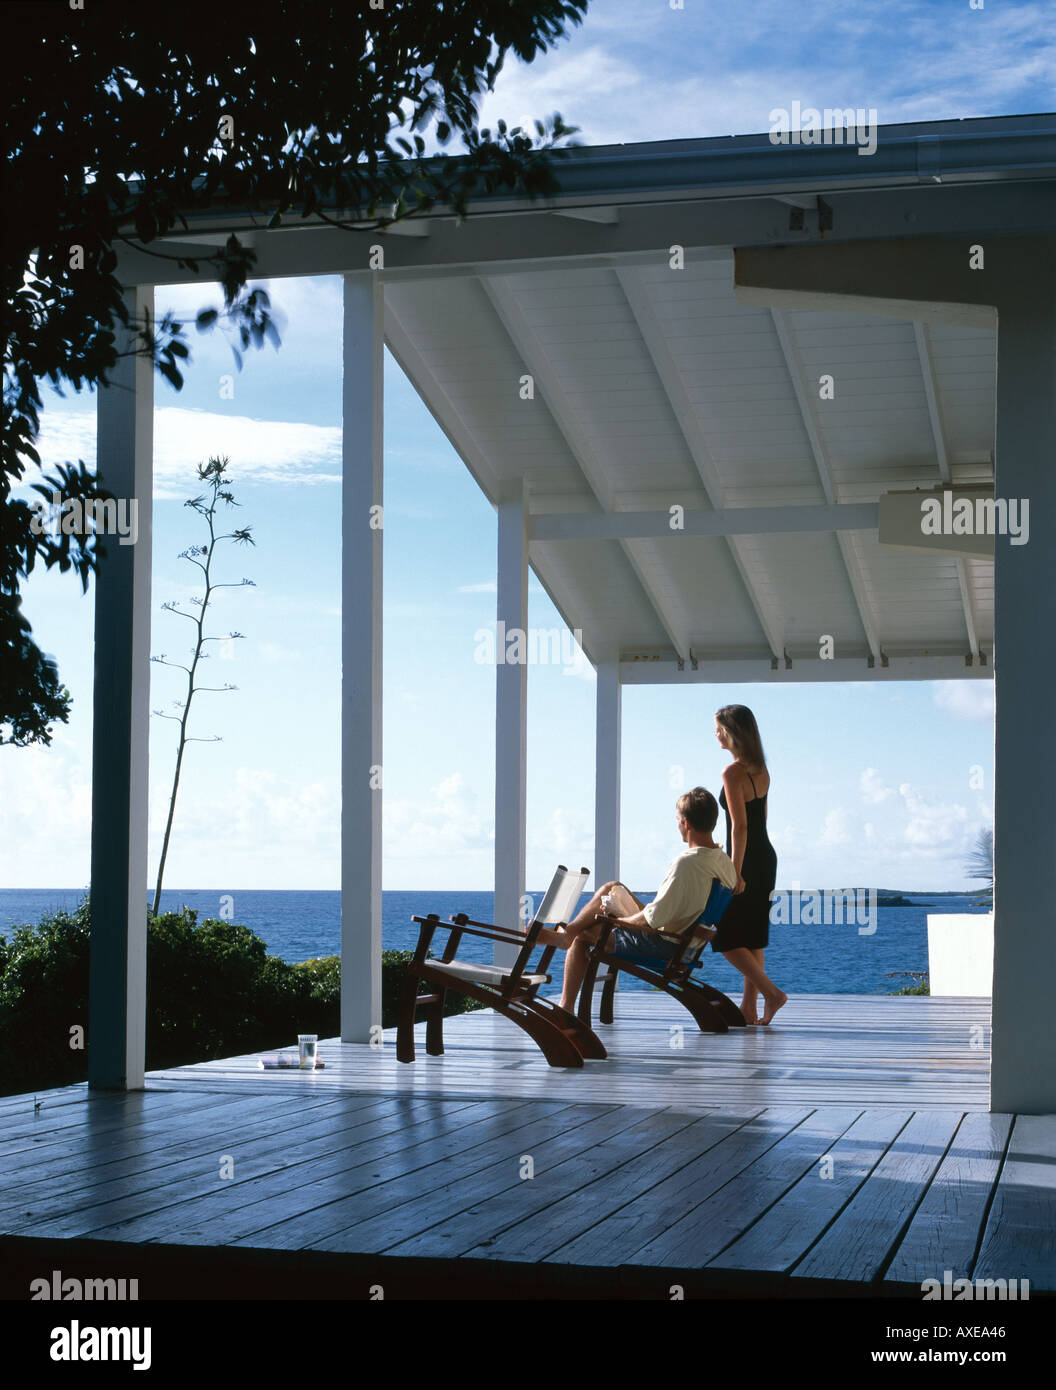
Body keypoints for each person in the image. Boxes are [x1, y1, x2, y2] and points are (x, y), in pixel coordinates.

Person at [536, 787, 738, 1014]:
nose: (678, 825)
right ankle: (569, 932)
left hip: (665, 945)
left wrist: (617, 918)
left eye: (678, 820)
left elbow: (652, 920)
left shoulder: (687, 863)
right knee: (613, 887)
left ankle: (566, 1006)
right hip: (686, 943)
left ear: (687, 823)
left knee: (585, 934)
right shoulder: (725, 864)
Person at [712, 704, 787, 1025]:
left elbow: (739, 827)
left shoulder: (732, 772)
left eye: (719, 729)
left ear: (733, 732)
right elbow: (762, 820)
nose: (716, 734)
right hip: (765, 855)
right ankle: (748, 1008)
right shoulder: (761, 769)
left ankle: (772, 994)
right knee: (752, 937)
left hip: (746, 859)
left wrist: (735, 870)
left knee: (726, 937)